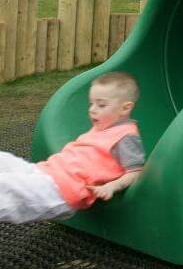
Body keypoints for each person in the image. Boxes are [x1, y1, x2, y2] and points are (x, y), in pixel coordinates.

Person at [0, 71, 145, 224]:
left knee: (6, 186)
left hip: (60, 191)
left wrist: (112, 186)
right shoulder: (104, 127)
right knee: (4, 160)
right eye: (91, 103)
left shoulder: (125, 137)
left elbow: (136, 172)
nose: (92, 109)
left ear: (125, 108)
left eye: (101, 105)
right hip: (45, 172)